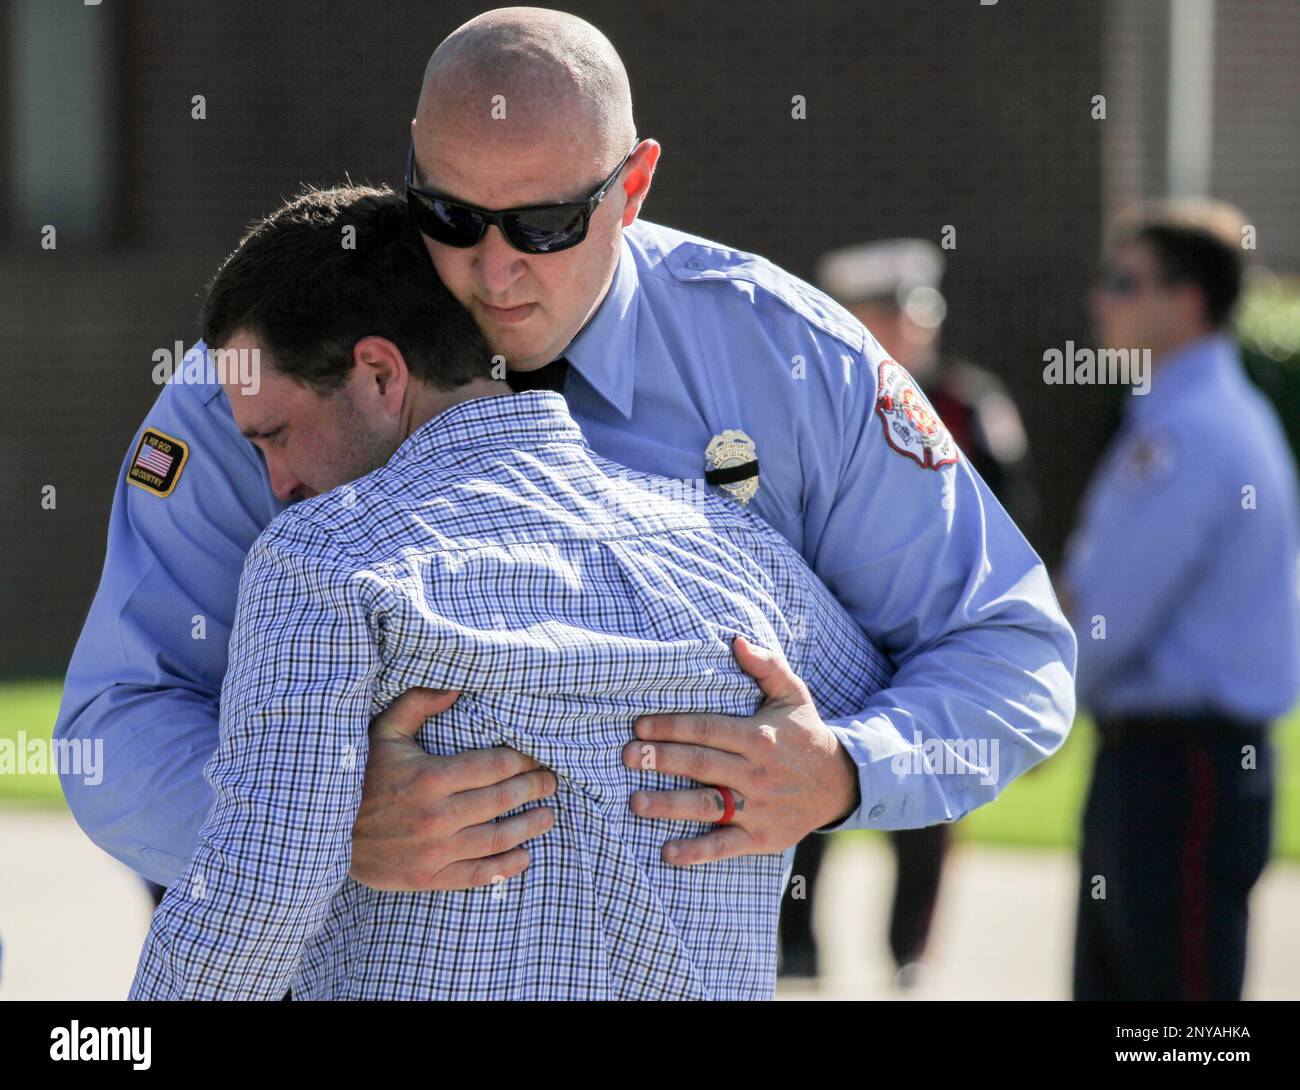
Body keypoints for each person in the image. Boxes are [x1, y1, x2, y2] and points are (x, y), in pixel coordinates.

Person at [56, 9, 1075, 918]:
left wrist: (847, 769)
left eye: (546, 224)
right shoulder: (266, 374)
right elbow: (119, 721)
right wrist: (309, 830)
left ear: (632, 186)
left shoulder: (788, 364)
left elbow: (1010, 650)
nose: (492, 272)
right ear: (412, 166)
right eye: (450, 216)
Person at [130, 184, 900, 1000]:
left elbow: (257, 896)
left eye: (275, 435)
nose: (276, 483)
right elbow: (877, 730)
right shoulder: (737, 551)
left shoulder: (321, 562)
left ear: (381, 374)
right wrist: (833, 766)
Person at [778, 238, 1040, 983]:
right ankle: (796, 945)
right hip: (827, 635)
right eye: (883, 315)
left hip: (931, 642)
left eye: (914, 315)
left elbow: (1010, 529)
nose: (904, 330)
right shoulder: (809, 403)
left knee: (932, 795)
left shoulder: (967, 405)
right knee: (808, 787)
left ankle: (910, 953)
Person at [1063, 199, 1300, 1001]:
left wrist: (1013, 710)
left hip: (1181, 772)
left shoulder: (1195, 430)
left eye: (1124, 281)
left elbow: (1110, 615)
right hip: (1163, 765)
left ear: (1187, 302)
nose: (1102, 301)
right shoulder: (1187, 415)